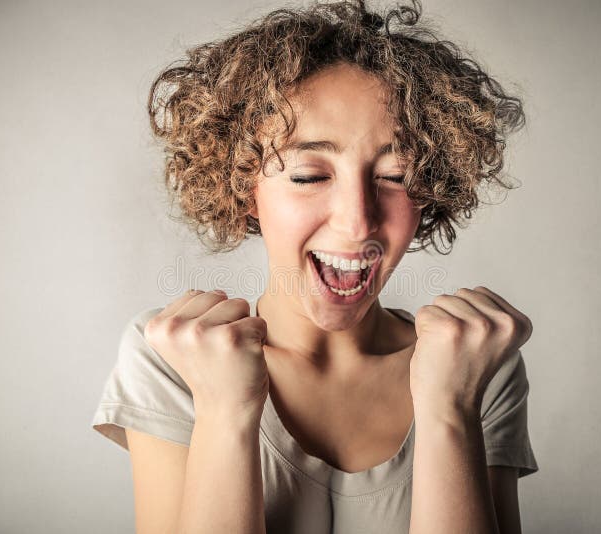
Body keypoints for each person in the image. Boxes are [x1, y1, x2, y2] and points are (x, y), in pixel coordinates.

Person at [91, 1, 539, 532]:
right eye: (307, 175)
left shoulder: (477, 361)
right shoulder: (170, 357)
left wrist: (449, 408)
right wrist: (225, 411)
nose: (357, 222)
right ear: (244, 190)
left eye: (395, 176)